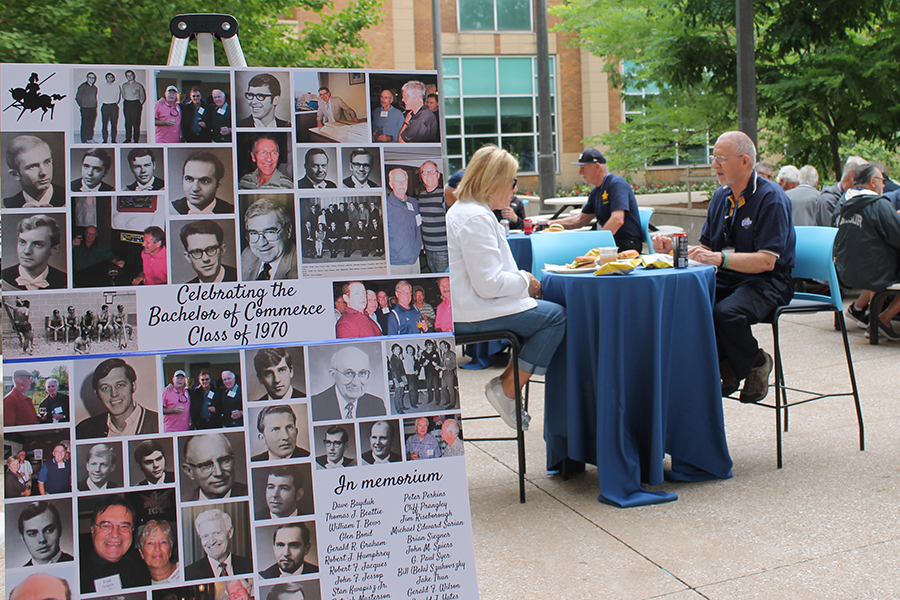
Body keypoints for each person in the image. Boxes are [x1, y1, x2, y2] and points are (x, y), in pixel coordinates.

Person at [652, 131, 795, 403]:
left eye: (720, 159)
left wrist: (720, 259)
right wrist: (673, 246)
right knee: (688, 303)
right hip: (731, 276)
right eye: (713, 158)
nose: (714, 165)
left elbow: (767, 260)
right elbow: (707, 248)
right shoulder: (721, 197)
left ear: (744, 161)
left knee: (726, 312)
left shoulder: (771, 198)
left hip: (770, 281)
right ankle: (727, 367)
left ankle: (755, 362)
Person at [449, 145, 566, 429]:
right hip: (473, 314)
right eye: (512, 181)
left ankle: (507, 386)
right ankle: (508, 389)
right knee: (556, 317)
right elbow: (489, 284)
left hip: (468, 309)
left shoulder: (469, 211)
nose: (515, 188)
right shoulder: (475, 217)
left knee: (548, 315)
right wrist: (527, 281)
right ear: (494, 182)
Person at [834, 162, 900, 339]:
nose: (884, 185)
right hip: (873, 273)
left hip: (844, 269)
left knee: (875, 260)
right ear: (873, 181)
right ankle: (882, 320)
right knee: (884, 264)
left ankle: (864, 314)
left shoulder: (842, 203)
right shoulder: (879, 205)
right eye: (881, 180)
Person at [550, 148, 644, 253]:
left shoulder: (616, 184)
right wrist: (551, 224)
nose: (580, 172)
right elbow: (581, 220)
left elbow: (617, 219)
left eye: (583, 168)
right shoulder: (596, 191)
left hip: (625, 244)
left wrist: (598, 244)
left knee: (573, 252)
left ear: (597, 167)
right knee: (568, 247)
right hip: (611, 241)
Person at [80, 495, 151, 592]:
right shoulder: (76, 573)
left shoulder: (141, 564)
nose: (115, 534)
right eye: (106, 526)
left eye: (124, 526)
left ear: (132, 530)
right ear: (92, 529)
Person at [76, 357, 159, 438]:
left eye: (120, 385)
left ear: (133, 386)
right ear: (97, 394)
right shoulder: (84, 430)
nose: (114, 394)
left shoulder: (160, 422)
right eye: (105, 388)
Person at [311, 346, 387, 420]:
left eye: (362, 373)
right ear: (333, 375)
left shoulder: (376, 405)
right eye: (349, 373)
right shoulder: (314, 405)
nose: (356, 383)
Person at [184, 509, 252, 580]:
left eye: (217, 533)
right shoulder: (188, 574)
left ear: (230, 533)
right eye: (205, 536)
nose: (211, 542)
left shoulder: (250, 566)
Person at [241, 197, 298, 280]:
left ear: (288, 230)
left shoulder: (299, 268)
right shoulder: (247, 255)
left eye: (270, 232)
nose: (261, 243)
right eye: (254, 233)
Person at [3, 135, 66, 208]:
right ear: (15, 174)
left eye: (47, 162)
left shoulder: (68, 197)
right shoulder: (8, 205)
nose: (44, 172)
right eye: (32, 167)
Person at [181, 433, 248, 500]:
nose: (219, 473)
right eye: (206, 465)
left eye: (224, 460)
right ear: (189, 471)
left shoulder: (250, 493)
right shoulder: (183, 500)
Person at [386, 168, 423, 272]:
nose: (402, 184)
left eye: (404, 180)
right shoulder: (385, 206)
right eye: (397, 181)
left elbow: (418, 227)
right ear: (391, 184)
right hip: (397, 263)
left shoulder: (414, 203)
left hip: (415, 260)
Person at [417, 160, 449, 272]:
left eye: (432, 172)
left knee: (444, 281)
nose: (428, 175)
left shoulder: (444, 195)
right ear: (421, 176)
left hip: (443, 250)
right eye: (424, 172)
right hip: (428, 250)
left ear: (438, 175)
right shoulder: (422, 196)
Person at [817, 155, 866, 227]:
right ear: (852, 176)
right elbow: (831, 232)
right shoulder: (828, 199)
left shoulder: (847, 196)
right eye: (864, 179)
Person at [138, 520, 180, 584]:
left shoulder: (186, 570)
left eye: (163, 542)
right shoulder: (138, 586)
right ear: (141, 553)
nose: (157, 549)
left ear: (170, 550)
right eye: (150, 543)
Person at [121, 70, 146, 144]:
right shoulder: (124, 85)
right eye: (128, 75)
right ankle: (128, 138)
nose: (129, 77)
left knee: (136, 122)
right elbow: (123, 95)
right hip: (127, 103)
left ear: (133, 76)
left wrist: (138, 104)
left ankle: (136, 139)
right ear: (126, 76)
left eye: (131, 75)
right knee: (128, 121)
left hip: (135, 104)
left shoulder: (138, 85)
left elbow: (142, 96)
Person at [99, 72, 121, 143]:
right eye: (108, 77)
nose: (109, 79)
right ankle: (104, 140)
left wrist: (114, 102)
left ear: (113, 78)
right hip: (105, 106)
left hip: (113, 106)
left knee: (114, 124)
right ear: (106, 78)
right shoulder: (102, 86)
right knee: (104, 124)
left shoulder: (116, 86)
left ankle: (113, 140)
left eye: (111, 77)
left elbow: (118, 96)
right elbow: (100, 96)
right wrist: (105, 101)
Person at [76, 72, 99, 143]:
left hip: (93, 107)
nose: (92, 79)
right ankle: (83, 140)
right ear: (87, 78)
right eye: (90, 77)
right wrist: (83, 105)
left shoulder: (95, 88)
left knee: (91, 123)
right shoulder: (82, 86)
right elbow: (78, 98)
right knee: (85, 124)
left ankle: (89, 137)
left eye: (93, 78)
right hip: (85, 108)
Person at [439, 340, 458, 407]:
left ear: (446, 346)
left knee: (451, 389)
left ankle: (452, 404)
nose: (440, 347)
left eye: (441, 346)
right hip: (444, 374)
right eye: (440, 346)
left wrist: (447, 367)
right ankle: (448, 400)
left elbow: (455, 364)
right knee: (443, 387)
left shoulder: (452, 354)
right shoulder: (444, 354)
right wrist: (438, 367)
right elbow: (442, 363)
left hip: (450, 373)